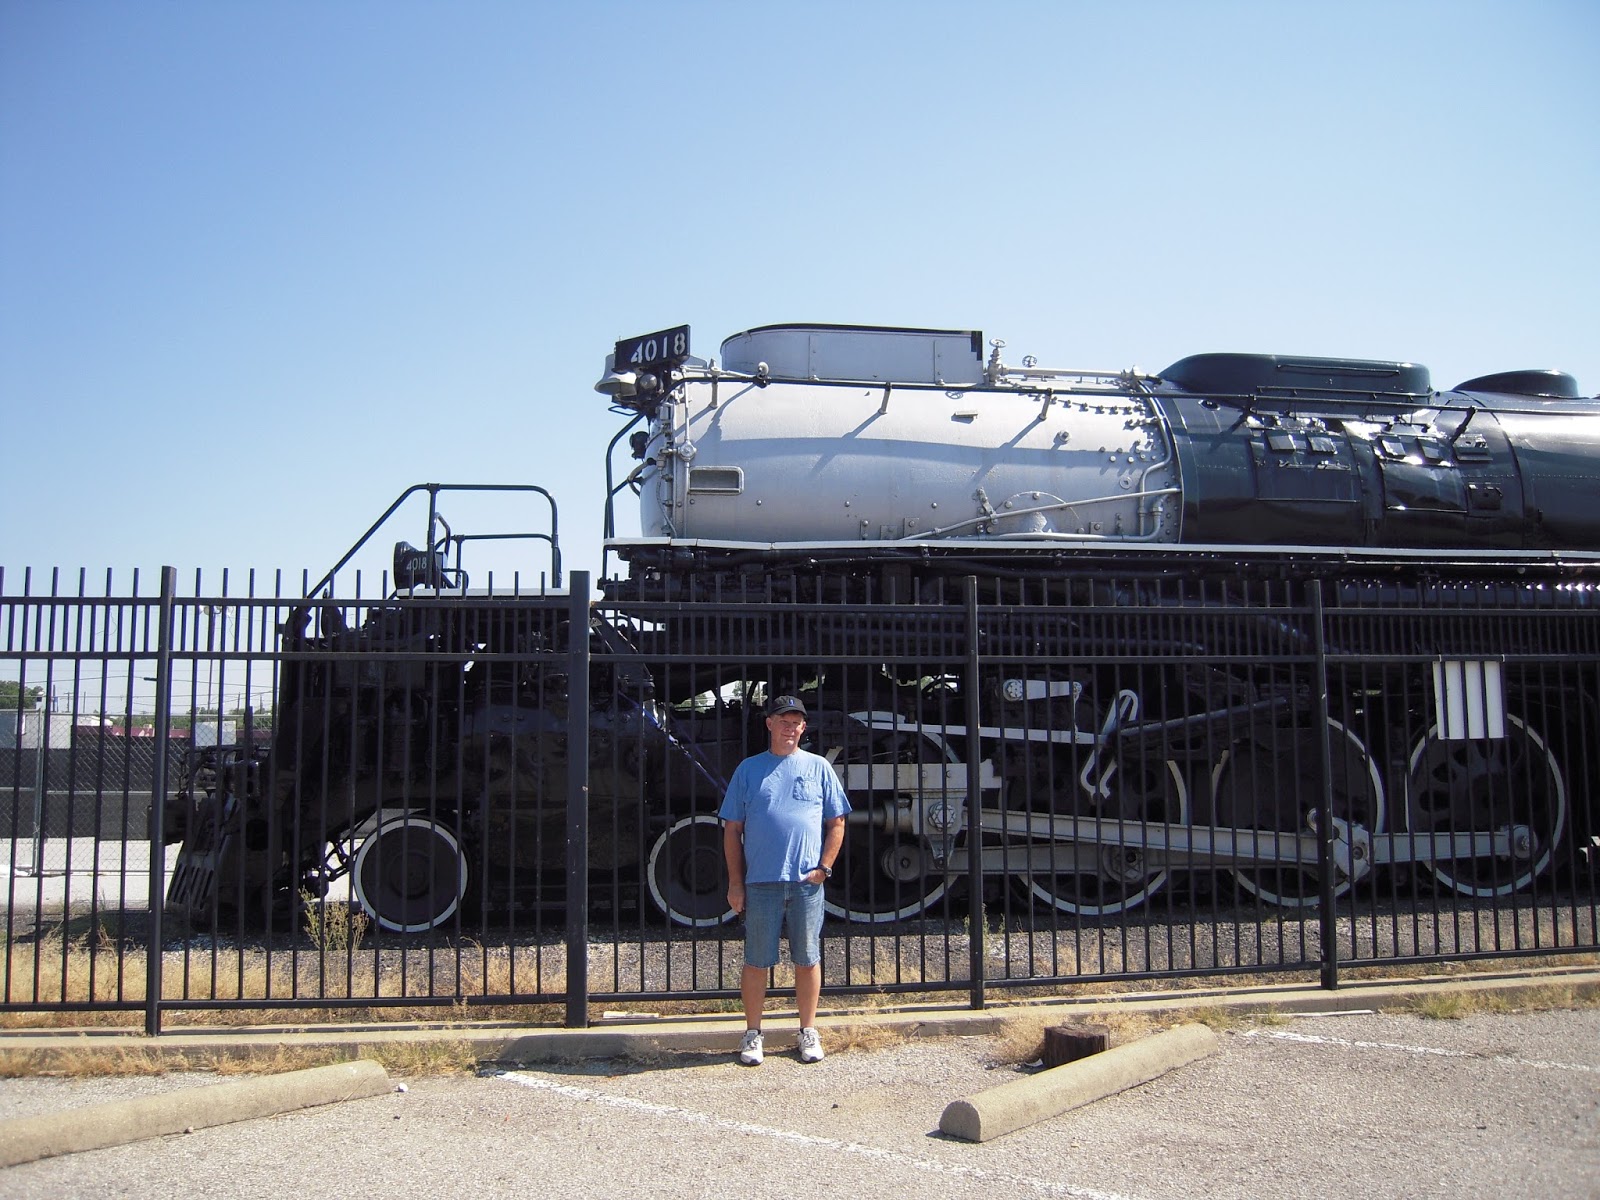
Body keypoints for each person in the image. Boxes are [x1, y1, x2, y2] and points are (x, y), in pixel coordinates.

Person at [720, 694, 850, 1065]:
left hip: (806, 884)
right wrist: (735, 883)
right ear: (769, 724)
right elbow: (732, 829)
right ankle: (752, 1033)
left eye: (796, 722)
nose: (790, 728)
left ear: (803, 728)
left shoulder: (819, 767)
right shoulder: (748, 770)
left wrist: (823, 868)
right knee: (756, 961)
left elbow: (837, 822)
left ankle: (808, 1030)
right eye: (783, 721)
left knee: (807, 959)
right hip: (762, 883)